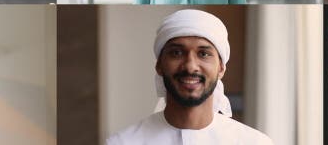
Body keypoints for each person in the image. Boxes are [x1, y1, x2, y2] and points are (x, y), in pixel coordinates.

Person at [107, 9, 273, 144]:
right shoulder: (122, 142)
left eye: (204, 54)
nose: (190, 66)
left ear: (221, 68)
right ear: (159, 65)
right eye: (177, 53)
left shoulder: (254, 142)